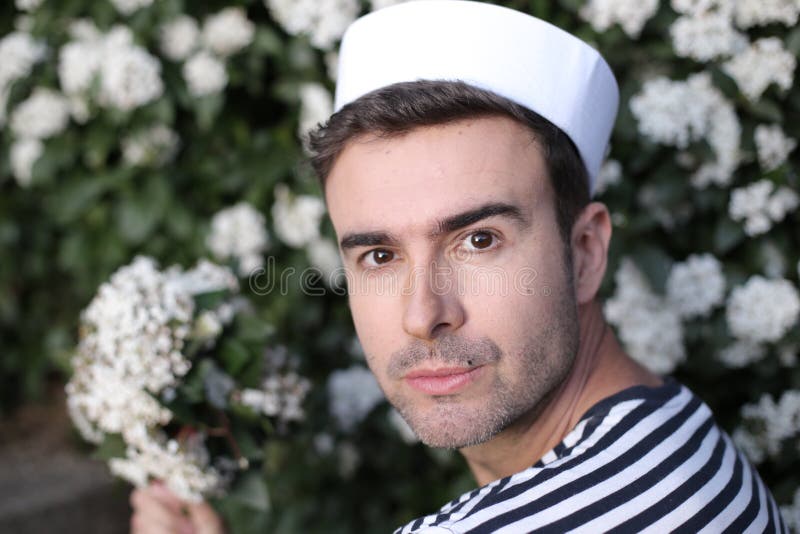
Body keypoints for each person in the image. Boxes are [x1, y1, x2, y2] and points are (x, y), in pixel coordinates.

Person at [131, 1, 787, 532]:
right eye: (380, 255)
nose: (423, 315)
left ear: (584, 252)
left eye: (478, 241)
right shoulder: (678, 442)